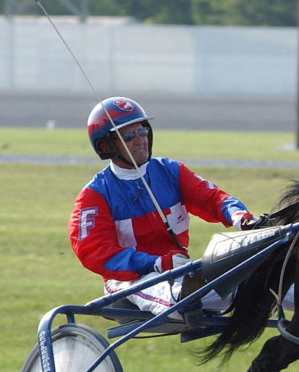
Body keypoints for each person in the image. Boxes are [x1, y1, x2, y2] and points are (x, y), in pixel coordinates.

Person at [69, 96, 256, 319]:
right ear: (105, 146)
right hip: (129, 280)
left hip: (181, 272)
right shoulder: (94, 196)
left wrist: (239, 216)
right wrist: (157, 264)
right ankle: (185, 299)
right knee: (177, 296)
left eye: (143, 132)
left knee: (257, 283)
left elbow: (213, 198)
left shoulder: (171, 171)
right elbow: (95, 252)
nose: (140, 140)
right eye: (128, 136)